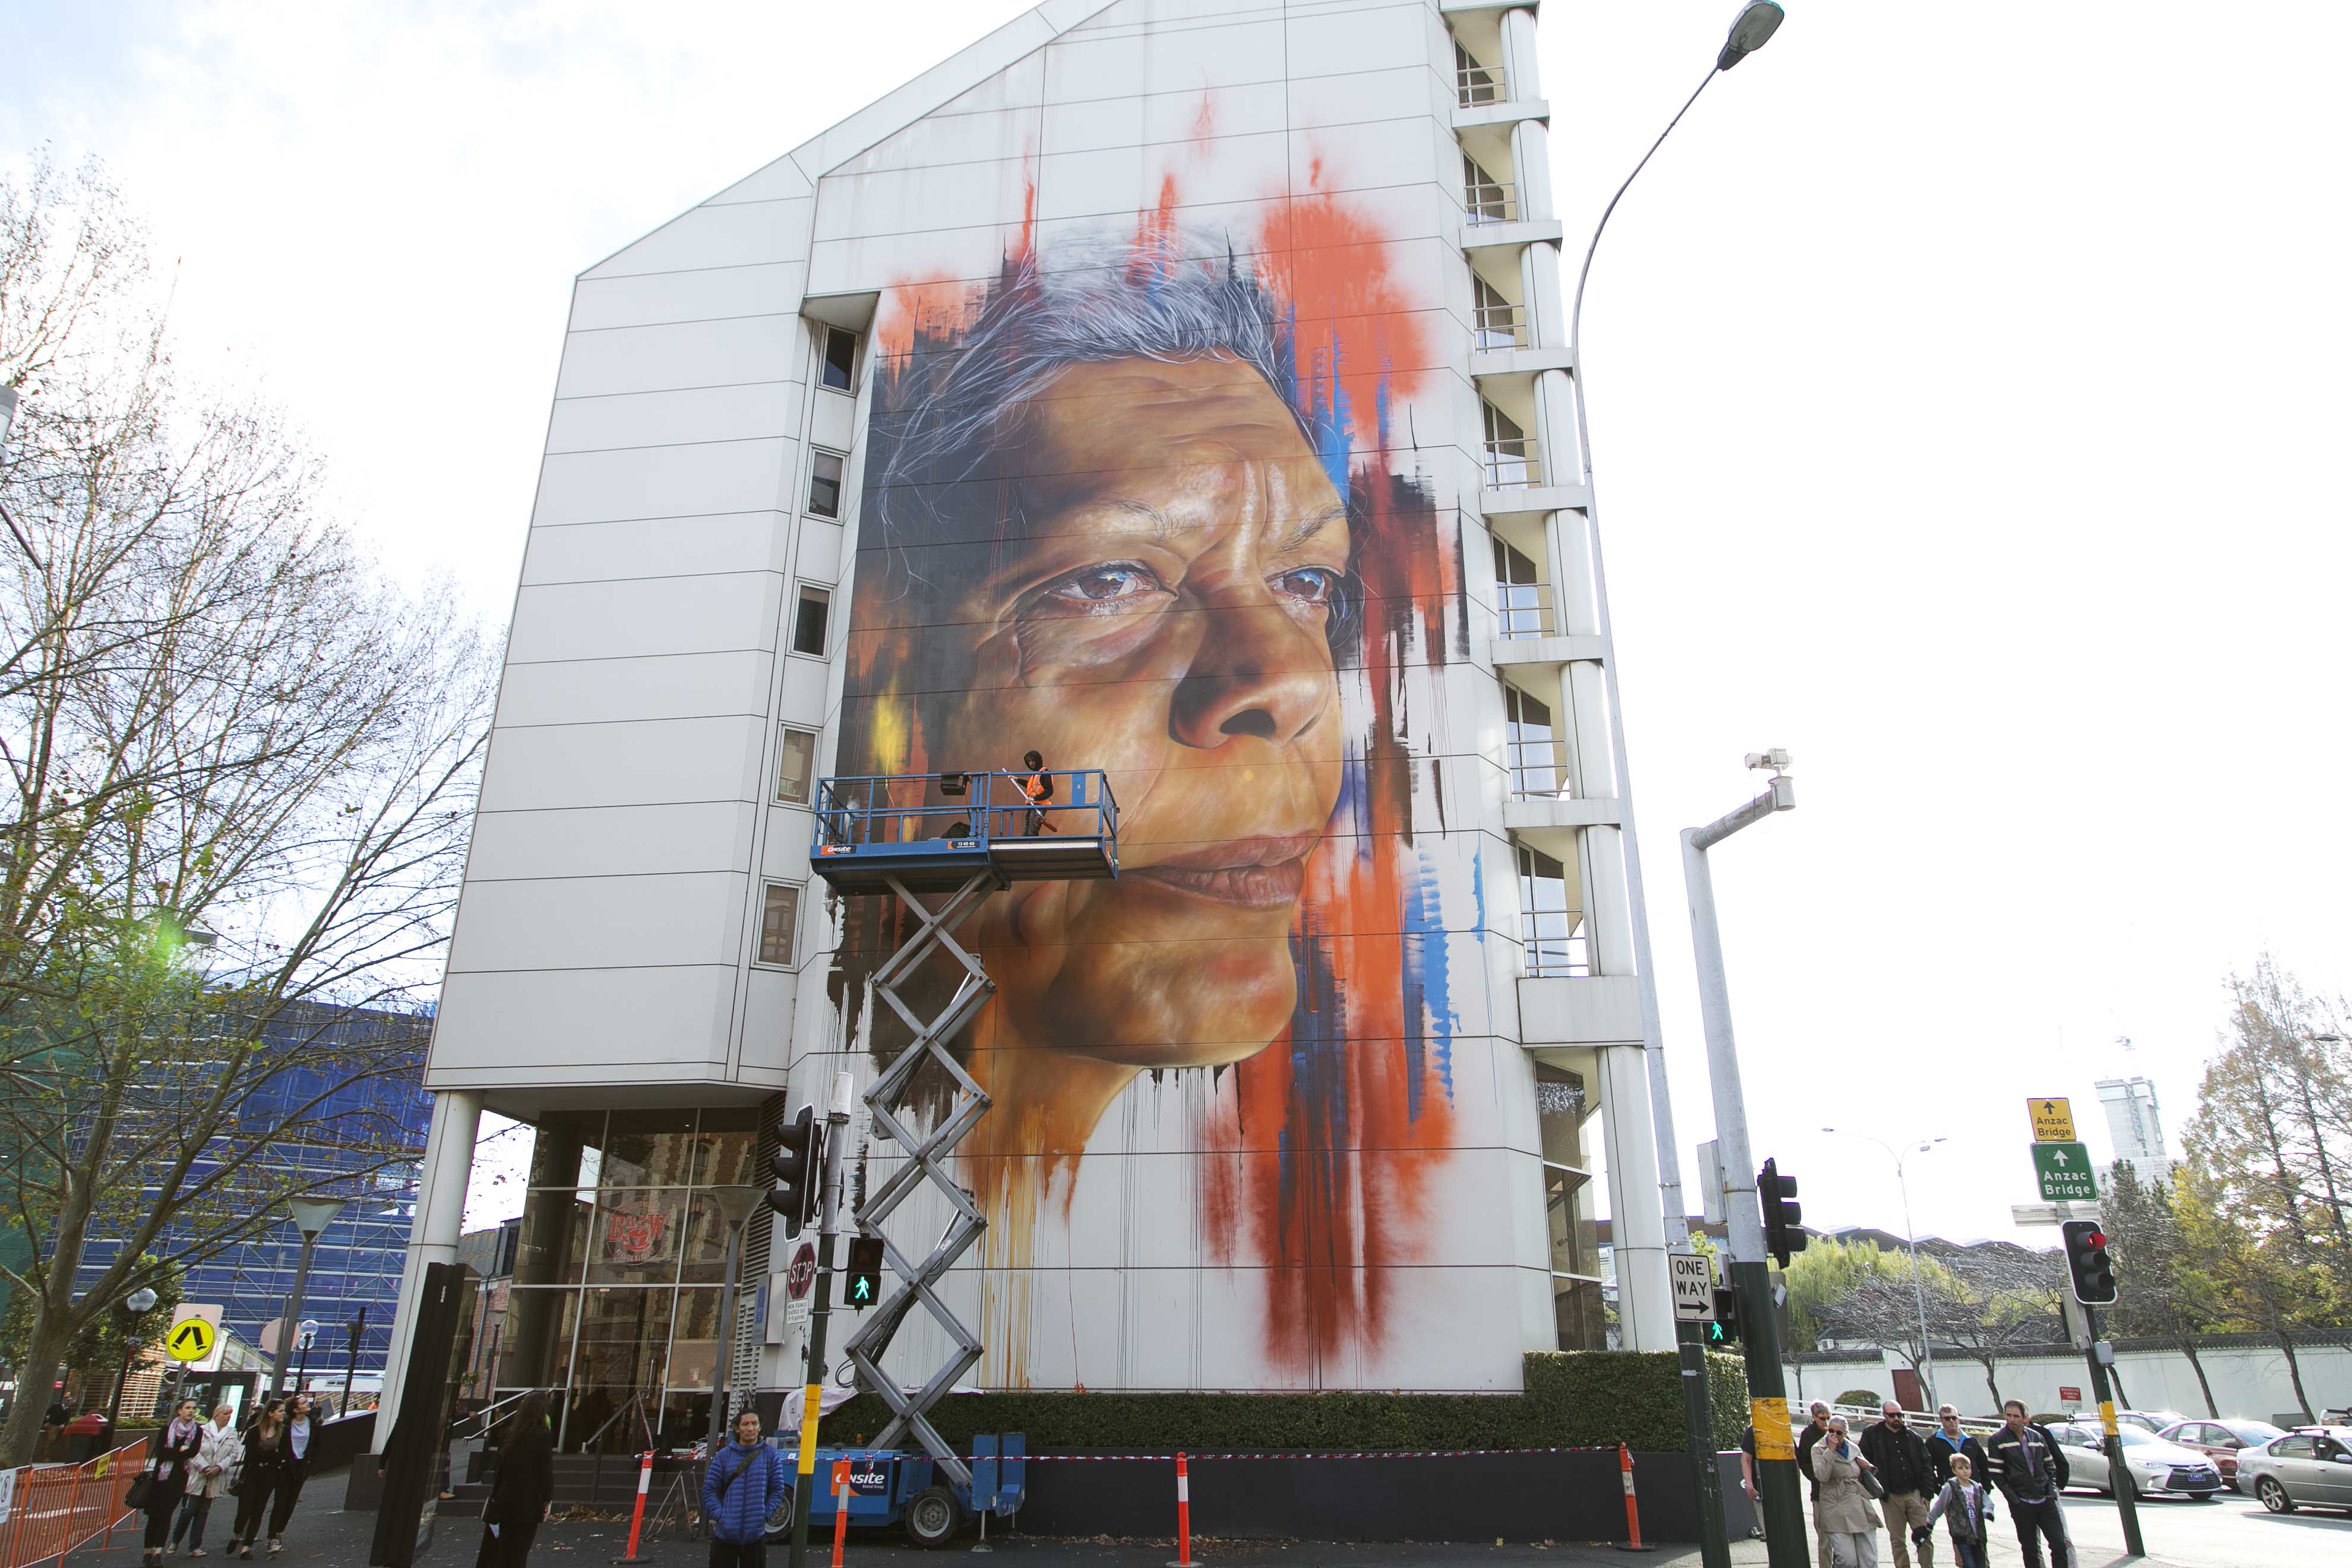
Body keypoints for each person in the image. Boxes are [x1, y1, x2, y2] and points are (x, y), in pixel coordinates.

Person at [1982, 1399, 2072, 1568]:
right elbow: (1996, 1474)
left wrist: (2051, 1491)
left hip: (2045, 1500)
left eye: (2016, 1416)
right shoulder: (1997, 1440)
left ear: (2024, 1418)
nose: (2012, 1420)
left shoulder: (2036, 1437)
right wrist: (2015, 1499)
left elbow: (2050, 1467)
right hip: (2022, 1503)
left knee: (2059, 1544)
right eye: (2008, 1415)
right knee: (2030, 1550)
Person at [477, 1392, 555, 1568]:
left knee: (503, 1553)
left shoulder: (509, 1434)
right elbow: (545, 1471)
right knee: (519, 1554)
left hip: (505, 1500)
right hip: (529, 1504)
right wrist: (548, 1499)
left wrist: (495, 1496)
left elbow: (501, 1470)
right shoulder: (543, 1437)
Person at [701, 1408, 786, 1568]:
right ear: (737, 1429)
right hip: (725, 1535)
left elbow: (777, 1490)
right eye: (745, 1424)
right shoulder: (724, 1456)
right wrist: (721, 1516)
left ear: (760, 1427)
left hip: (755, 1535)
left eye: (755, 1424)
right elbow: (710, 1490)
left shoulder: (770, 1456)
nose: (751, 1428)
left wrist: (765, 1515)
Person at [1860, 1402, 1935, 1568]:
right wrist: (1876, 1488)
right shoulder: (1873, 1435)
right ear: (1884, 1415)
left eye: (1899, 1415)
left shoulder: (1912, 1437)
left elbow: (1927, 1465)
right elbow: (1862, 1461)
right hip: (1891, 1496)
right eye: (1892, 1415)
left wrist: (1927, 1494)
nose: (1897, 1419)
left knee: (1925, 1538)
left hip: (1915, 1494)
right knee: (1898, 1541)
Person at [1807, 1415, 1884, 1568]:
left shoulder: (1853, 1448)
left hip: (1859, 1503)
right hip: (1835, 1505)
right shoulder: (1818, 1449)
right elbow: (1822, 1476)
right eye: (1831, 1431)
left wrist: (1867, 1466)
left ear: (1846, 1433)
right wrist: (1830, 1451)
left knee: (1869, 1561)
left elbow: (1862, 1474)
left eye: (1839, 1433)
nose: (1834, 1435)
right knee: (1847, 1561)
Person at [172, 1402, 245, 1557]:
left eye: (230, 1414)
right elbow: (193, 1451)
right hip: (198, 1476)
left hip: (215, 1477)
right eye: (225, 1414)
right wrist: (204, 1467)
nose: (228, 1417)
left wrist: (218, 1467)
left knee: (203, 1512)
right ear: (216, 1415)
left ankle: (195, 1546)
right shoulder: (201, 1431)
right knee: (189, 1511)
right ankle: (175, 1540)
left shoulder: (232, 1433)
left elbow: (233, 1455)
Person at [141, 1399, 205, 1567]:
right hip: (161, 1478)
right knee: (154, 1516)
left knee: (166, 1515)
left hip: (179, 1478)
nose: (191, 1411)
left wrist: (177, 1453)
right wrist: (180, 1451)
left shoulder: (197, 1431)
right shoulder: (166, 1429)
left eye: (194, 1408)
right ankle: (147, 1552)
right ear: (179, 1411)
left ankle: (158, 1553)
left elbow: (193, 1452)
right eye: (188, 1408)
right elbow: (161, 1452)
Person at [226, 1402, 286, 1560]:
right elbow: (251, 1455)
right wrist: (272, 1454)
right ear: (270, 1413)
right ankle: (237, 1534)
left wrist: (272, 1456)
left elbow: (282, 1455)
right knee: (245, 1510)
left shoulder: (282, 1432)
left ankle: (247, 1547)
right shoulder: (254, 1431)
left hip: (270, 1475)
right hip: (252, 1474)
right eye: (280, 1411)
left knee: (259, 1510)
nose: (283, 1414)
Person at [1917, 1452, 1996, 1568]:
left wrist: (1988, 1512)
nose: (1965, 1471)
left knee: (1981, 1565)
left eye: (1967, 1468)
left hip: (1979, 1535)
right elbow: (1939, 1507)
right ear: (1954, 1471)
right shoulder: (1950, 1488)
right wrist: (1930, 1523)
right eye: (1960, 1468)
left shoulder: (1977, 1488)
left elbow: (1988, 1503)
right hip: (1962, 1535)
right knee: (1969, 1564)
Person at [263, 1392, 318, 1555]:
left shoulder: (312, 1423)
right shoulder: (286, 1424)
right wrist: (283, 1460)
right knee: (280, 1501)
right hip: (286, 1466)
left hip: (302, 1466)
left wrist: (310, 1462)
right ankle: (273, 1536)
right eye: (303, 1402)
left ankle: (279, 1530)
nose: (307, 1404)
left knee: (291, 1503)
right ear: (295, 1409)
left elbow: (317, 1444)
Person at [1794, 1402, 1834, 1561]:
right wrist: (1818, 1477)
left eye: (1828, 1418)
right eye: (1822, 1418)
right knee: (1824, 1540)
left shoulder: (1835, 1432)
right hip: (1820, 1492)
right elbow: (1804, 1462)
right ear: (1814, 1417)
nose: (1826, 1422)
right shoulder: (1807, 1435)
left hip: (1839, 1492)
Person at [1924, 1405, 1987, 1493]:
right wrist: (1938, 1490)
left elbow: (1984, 1465)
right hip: (1950, 1492)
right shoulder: (1933, 1442)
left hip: (1973, 1491)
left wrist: (1986, 1488)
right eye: (1947, 1419)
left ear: (1958, 1420)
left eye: (1954, 1418)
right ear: (1941, 1420)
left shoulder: (1971, 1440)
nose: (1951, 1421)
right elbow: (1927, 1468)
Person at [1017, 751, 1052, 836]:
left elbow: (1049, 791)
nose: (1031, 763)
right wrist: (1017, 780)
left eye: (1033, 760)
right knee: (1025, 832)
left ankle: (1031, 846)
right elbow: (1030, 786)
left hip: (1039, 806)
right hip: (1032, 805)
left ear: (1038, 760)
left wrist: (1034, 799)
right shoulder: (1036, 774)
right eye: (1029, 761)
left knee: (1032, 832)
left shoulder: (1044, 772)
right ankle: (1025, 846)